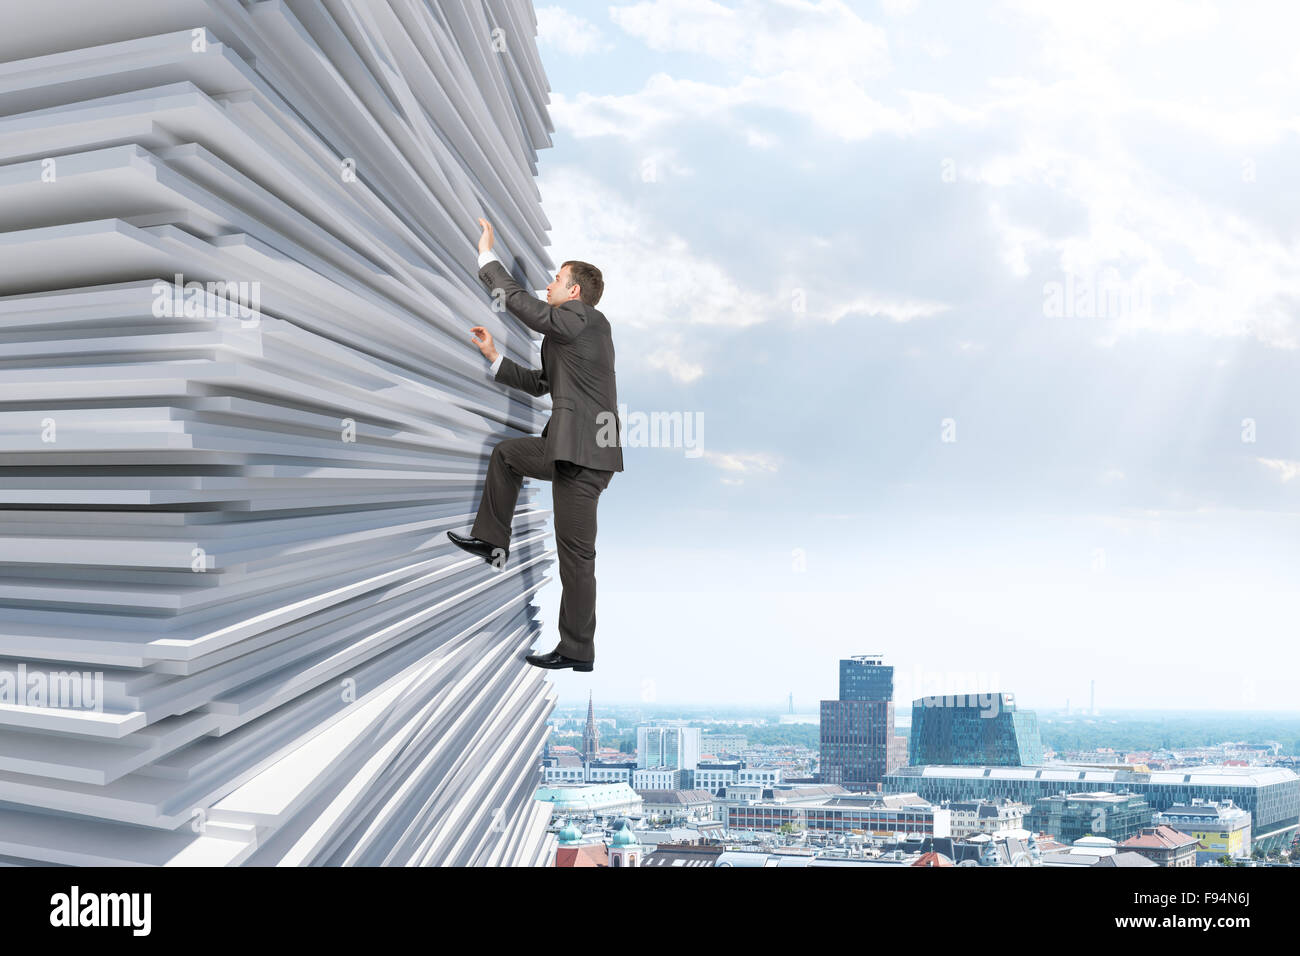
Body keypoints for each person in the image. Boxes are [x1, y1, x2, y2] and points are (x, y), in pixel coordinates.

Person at [448, 218, 623, 672]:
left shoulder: (584, 320)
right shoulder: (571, 334)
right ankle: (491, 541)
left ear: (575, 293)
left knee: (577, 558)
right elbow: (542, 382)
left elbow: (526, 307)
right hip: (566, 449)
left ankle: (577, 649)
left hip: (582, 459)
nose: (549, 285)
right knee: (507, 455)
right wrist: (494, 358)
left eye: (557, 280)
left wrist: (487, 256)